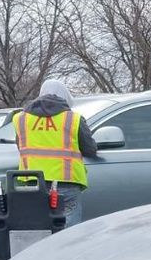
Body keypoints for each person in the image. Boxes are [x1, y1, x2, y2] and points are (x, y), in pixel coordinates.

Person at [13, 79, 97, 227]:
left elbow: (21, 146)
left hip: (32, 182)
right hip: (67, 182)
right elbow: (90, 149)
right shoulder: (73, 119)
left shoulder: (21, 118)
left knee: (38, 228)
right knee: (68, 233)